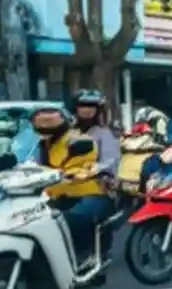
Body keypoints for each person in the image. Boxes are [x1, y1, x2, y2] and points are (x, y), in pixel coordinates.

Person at [30, 106, 115, 265]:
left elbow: (84, 162)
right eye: (41, 123)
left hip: (89, 192)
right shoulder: (41, 144)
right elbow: (29, 164)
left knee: (73, 219)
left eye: (50, 121)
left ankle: (85, 255)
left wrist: (70, 173)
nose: (45, 125)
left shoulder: (78, 140)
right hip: (56, 194)